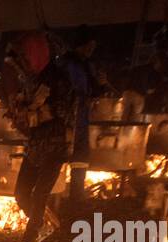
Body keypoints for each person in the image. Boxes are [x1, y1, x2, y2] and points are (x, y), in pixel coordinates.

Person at [6, 32, 73, 242]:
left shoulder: (59, 79)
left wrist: (37, 111)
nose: (24, 63)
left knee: (39, 194)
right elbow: (25, 112)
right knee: (21, 192)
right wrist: (20, 114)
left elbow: (64, 112)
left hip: (54, 146)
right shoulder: (30, 79)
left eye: (26, 57)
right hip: (35, 146)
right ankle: (43, 226)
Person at [62, 27, 103, 202]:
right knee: (70, 151)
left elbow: (91, 89)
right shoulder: (70, 64)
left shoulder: (84, 64)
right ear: (81, 45)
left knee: (79, 152)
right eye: (89, 46)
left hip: (81, 114)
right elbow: (76, 89)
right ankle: (68, 191)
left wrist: (99, 85)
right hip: (71, 114)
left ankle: (75, 191)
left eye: (93, 47)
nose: (90, 50)